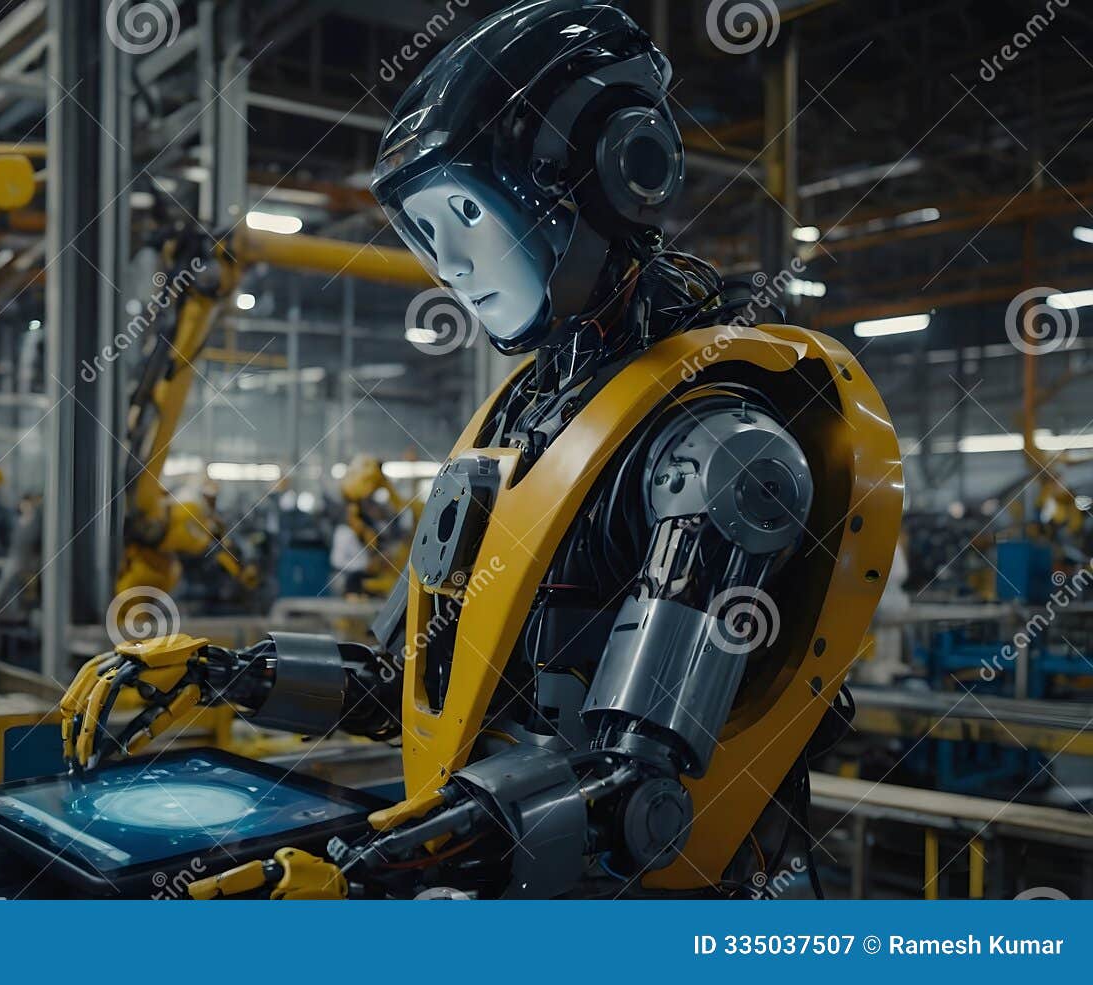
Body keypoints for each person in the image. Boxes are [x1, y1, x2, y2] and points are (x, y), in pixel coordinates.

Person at [59, 1, 900, 900]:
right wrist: (231, 673)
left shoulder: (718, 453)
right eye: (425, 232)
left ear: (622, 171)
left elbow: (634, 797)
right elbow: (404, 683)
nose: (449, 264)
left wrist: (364, 876)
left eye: (465, 210)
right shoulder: (524, 419)